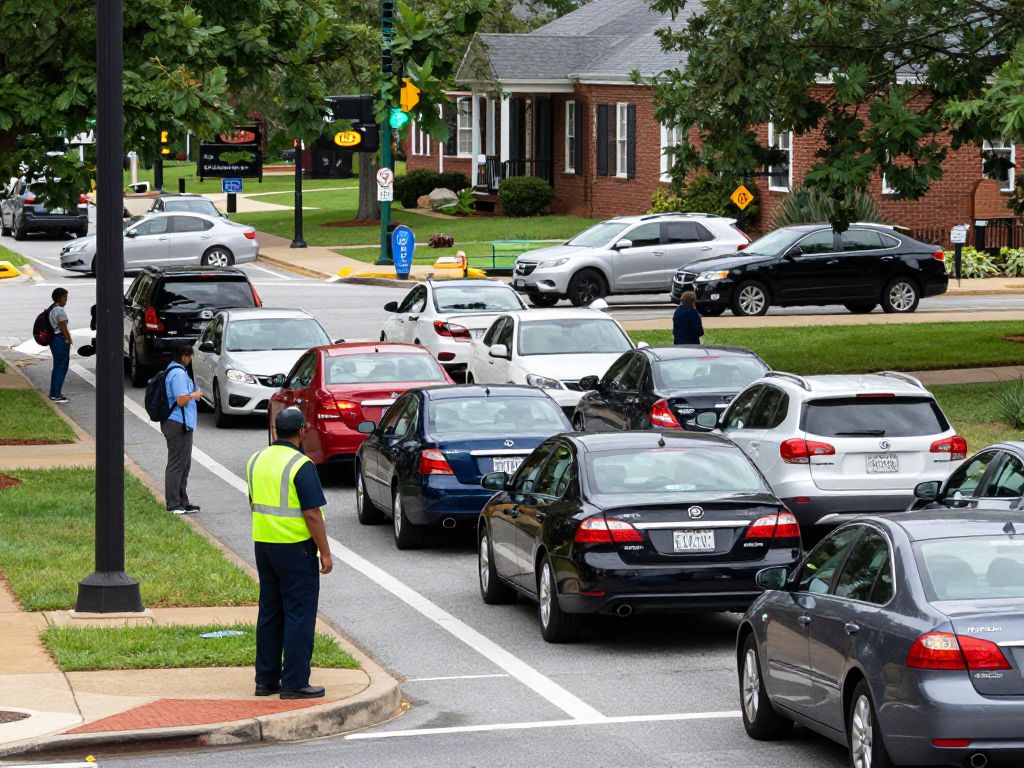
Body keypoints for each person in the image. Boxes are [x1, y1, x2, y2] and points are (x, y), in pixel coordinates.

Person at [247, 407, 332, 699]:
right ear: (302, 432)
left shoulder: (255, 460)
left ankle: (266, 680)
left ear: (274, 431)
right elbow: (312, 514)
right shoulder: (301, 464)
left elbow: (253, 501)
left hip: (264, 545)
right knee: (299, 613)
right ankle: (295, 682)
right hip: (296, 548)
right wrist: (325, 553)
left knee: (270, 611)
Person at [162, 344, 201, 514]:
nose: (190, 360)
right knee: (177, 464)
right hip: (177, 423)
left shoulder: (176, 370)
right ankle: (173, 504)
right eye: (190, 357)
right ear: (184, 357)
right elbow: (181, 400)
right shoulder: (178, 374)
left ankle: (182, 501)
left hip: (182, 423)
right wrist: (194, 395)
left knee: (184, 464)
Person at [48, 288, 72, 403]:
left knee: (57, 366)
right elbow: (63, 328)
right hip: (60, 340)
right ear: (60, 298)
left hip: (54, 340)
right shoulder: (59, 311)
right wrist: (68, 340)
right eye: (65, 297)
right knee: (61, 366)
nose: (66, 300)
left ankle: (55, 392)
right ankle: (55, 394)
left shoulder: (52, 309)